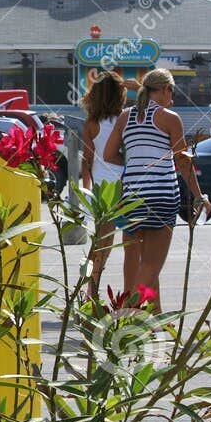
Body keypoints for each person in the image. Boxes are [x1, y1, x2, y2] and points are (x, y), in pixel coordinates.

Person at [102, 68, 209, 307]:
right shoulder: (170, 118)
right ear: (162, 90)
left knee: (141, 263)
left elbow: (108, 154)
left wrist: (135, 164)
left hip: (130, 196)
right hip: (161, 196)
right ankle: (128, 314)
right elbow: (182, 162)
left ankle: (156, 315)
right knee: (151, 265)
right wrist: (199, 196)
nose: (173, 95)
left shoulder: (124, 117)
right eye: (172, 90)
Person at [79, 72, 127, 300]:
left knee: (100, 243)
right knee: (108, 245)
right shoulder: (125, 119)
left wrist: (85, 193)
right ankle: (91, 292)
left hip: (101, 186)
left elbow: (87, 161)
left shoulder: (91, 124)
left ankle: (90, 289)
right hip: (124, 183)